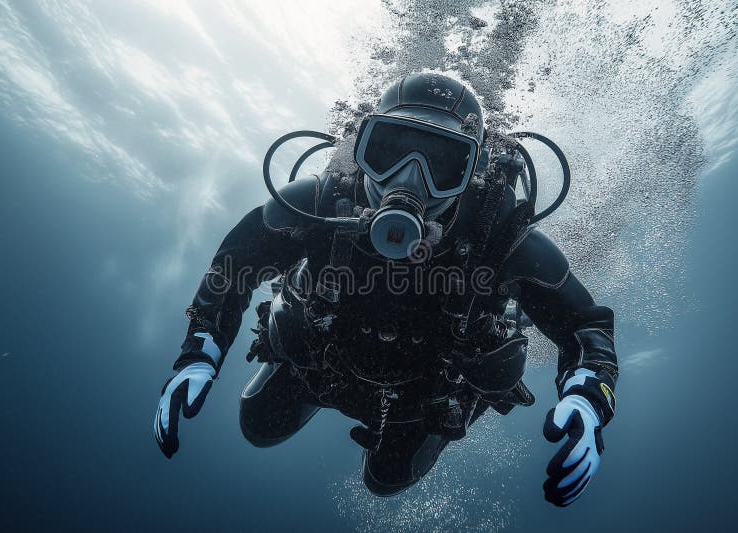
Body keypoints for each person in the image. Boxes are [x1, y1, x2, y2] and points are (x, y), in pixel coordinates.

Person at [153, 73, 618, 506]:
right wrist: (199, 352)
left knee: (385, 482)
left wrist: (588, 396)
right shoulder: (317, 202)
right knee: (257, 427)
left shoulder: (500, 239)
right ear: (361, 146)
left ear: (473, 171)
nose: (411, 178)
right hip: (318, 361)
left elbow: (584, 324)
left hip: (425, 396)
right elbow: (232, 269)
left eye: (443, 163)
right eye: (390, 150)